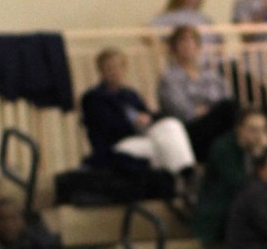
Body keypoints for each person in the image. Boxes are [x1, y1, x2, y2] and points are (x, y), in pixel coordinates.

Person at [81, 48, 196, 193]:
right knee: (164, 149)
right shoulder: (93, 98)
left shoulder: (130, 95)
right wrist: (133, 121)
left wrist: (149, 117)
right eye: (109, 67)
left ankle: (187, 175)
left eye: (118, 66)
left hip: (142, 138)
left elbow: (148, 116)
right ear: (101, 70)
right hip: (118, 146)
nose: (114, 71)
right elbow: (105, 126)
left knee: (171, 125)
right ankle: (180, 186)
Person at [193, 106, 267, 246]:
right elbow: (240, 184)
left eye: (262, 130)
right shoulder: (223, 147)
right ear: (239, 128)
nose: (259, 135)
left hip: (244, 209)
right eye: (253, 129)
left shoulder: (262, 147)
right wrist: (259, 158)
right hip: (220, 212)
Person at [156, 25, 235, 161]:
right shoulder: (169, 78)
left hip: (216, 121)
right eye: (183, 41)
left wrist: (207, 109)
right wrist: (210, 110)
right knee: (228, 110)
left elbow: (227, 96)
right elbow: (181, 110)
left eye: (191, 40)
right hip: (191, 128)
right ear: (174, 48)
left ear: (198, 46)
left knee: (236, 111)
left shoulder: (211, 74)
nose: (187, 45)